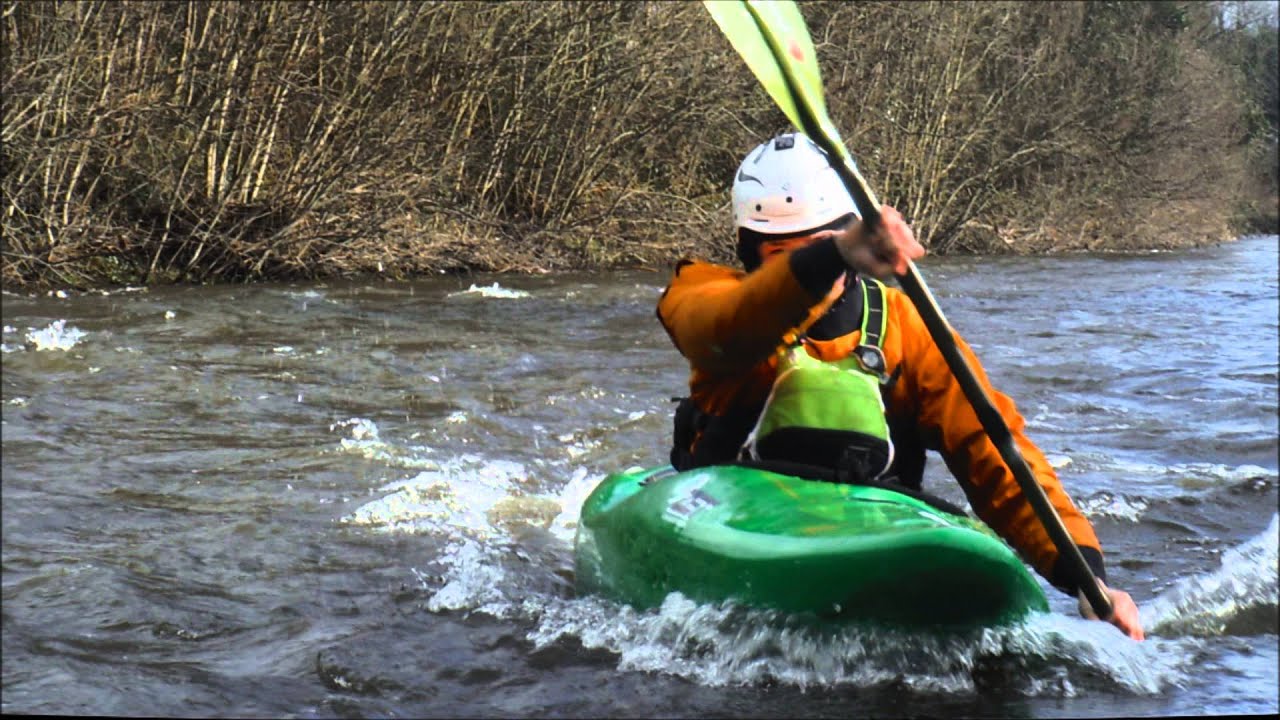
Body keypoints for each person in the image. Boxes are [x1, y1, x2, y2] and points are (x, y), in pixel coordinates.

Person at [656, 132, 1144, 640]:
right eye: (777, 253)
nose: (793, 267)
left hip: (872, 519)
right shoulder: (705, 296)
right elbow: (725, 329)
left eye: (814, 248)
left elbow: (992, 448)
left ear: (851, 240)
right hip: (741, 514)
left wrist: (1084, 575)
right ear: (750, 253)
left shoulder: (903, 325)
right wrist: (830, 255)